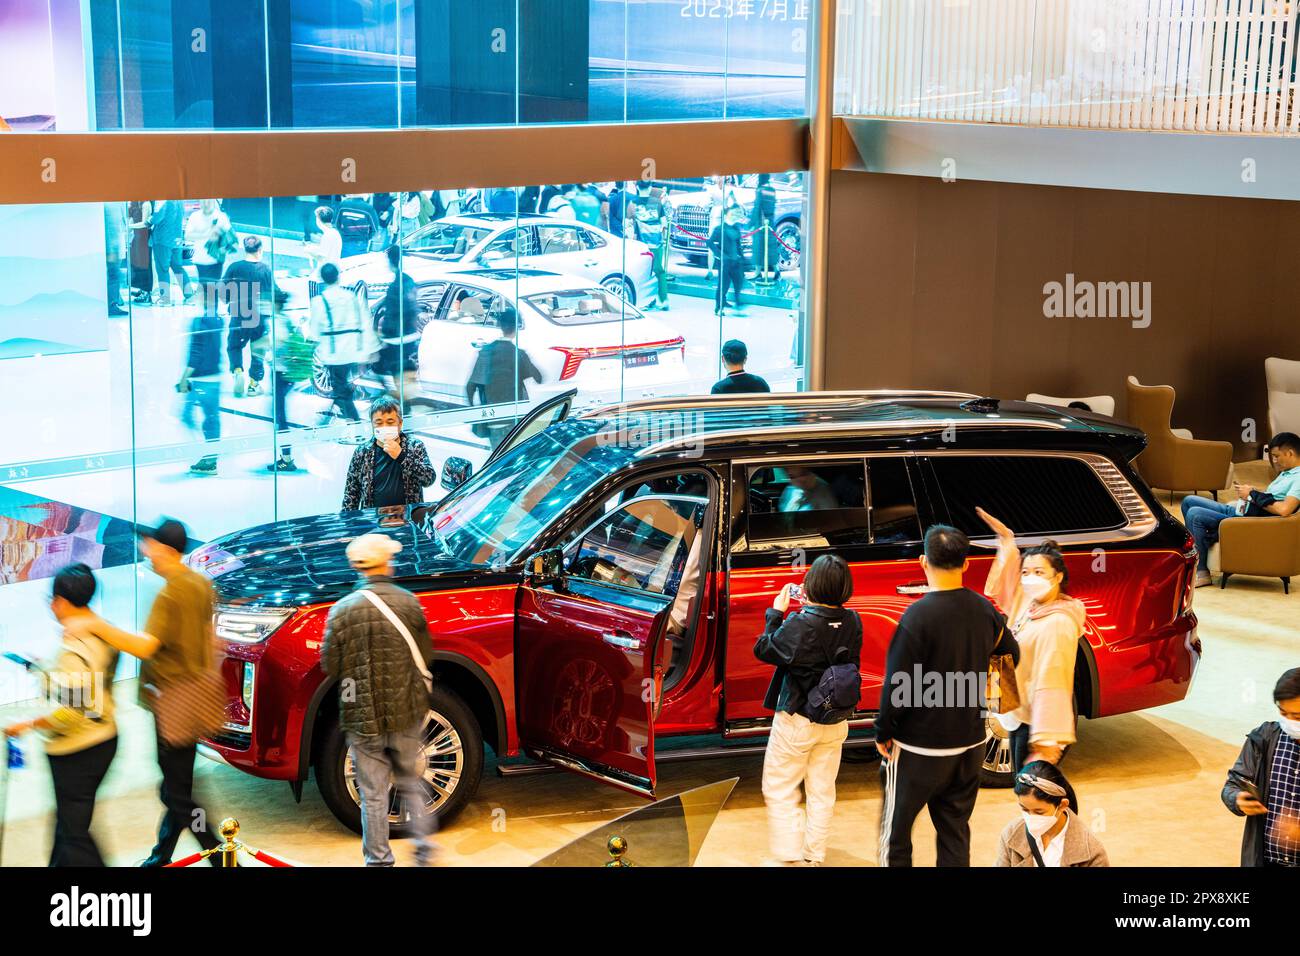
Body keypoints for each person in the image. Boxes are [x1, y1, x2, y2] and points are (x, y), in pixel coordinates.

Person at [875, 524, 1019, 867]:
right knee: (955, 832)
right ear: (966, 564)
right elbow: (1011, 654)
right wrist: (990, 699)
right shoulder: (985, 611)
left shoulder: (916, 617)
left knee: (896, 835)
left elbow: (898, 684)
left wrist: (883, 731)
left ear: (924, 561)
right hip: (969, 744)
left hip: (918, 748)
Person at [321, 533, 436, 866]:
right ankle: (424, 851)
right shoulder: (408, 602)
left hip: (362, 717)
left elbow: (331, 665)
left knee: (373, 794)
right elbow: (425, 655)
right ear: (385, 562)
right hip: (405, 711)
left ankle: (379, 860)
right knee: (411, 781)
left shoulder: (341, 610)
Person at [2, 565, 121, 866]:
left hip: (78, 750)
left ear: (61, 602)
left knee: (74, 835)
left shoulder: (73, 648)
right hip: (104, 736)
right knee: (68, 828)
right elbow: (91, 690)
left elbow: (71, 713)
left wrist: (26, 725)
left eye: (52, 600)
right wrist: (46, 669)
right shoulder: (99, 631)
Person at [754, 555, 863, 866]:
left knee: (779, 787)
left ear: (811, 584)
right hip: (836, 717)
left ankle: (788, 857)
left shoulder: (801, 623)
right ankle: (814, 856)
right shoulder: (854, 620)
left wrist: (776, 612)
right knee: (822, 791)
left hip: (798, 719)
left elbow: (765, 649)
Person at [128, 519, 224, 866]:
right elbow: (213, 639)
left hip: (173, 704)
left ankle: (221, 855)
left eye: (150, 546)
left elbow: (146, 647)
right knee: (177, 784)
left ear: (166, 550)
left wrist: (99, 628)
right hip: (196, 699)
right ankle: (160, 857)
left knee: (177, 792)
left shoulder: (170, 595)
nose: (146, 552)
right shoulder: (199, 584)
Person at [979, 508, 1086, 771]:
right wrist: (1007, 540)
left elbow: (1054, 680)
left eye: (1039, 573)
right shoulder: (1030, 604)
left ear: (1058, 577)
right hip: (1015, 713)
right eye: (1026, 573)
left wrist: (1046, 742)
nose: (1029, 579)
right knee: (1023, 793)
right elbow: (1006, 589)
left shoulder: (1058, 623)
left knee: (1032, 793)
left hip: (1036, 726)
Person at [1181, 432, 1300, 586]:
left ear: (1290, 453)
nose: (1275, 460)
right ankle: (1201, 545)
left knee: (1195, 514)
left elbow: (1284, 509)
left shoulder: (1298, 478)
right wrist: (1252, 492)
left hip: (1250, 521)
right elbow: (1272, 498)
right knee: (1189, 501)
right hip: (1244, 511)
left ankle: (1201, 571)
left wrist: (1253, 494)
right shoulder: (1286, 473)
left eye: (1277, 456)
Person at [1222, 667, 1300, 867]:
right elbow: (1232, 785)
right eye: (1284, 713)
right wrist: (1239, 799)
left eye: (1298, 716)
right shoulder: (1264, 739)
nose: (1290, 722)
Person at [995, 761, 1109, 867]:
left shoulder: (1092, 852)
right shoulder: (1010, 835)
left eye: (1039, 812)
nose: (1031, 818)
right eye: (1025, 809)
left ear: (1062, 805)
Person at [465, 307, 543, 449]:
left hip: (493, 419)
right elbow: (539, 378)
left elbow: (470, 387)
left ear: (501, 326)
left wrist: (475, 412)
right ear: (516, 328)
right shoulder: (517, 354)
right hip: (514, 419)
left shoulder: (486, 352)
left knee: (499, 459)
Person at [341, 396, 437, 510]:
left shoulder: (415, 446)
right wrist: (350, 523)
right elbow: (351, 494)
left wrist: (402, 457)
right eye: (379, 423)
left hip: (407, 519)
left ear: (400, 423)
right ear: (372, 424)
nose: (384, 427)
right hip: (374, 521)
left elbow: (429, 479)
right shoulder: (362, 452)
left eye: (390, 422)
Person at [308, 262, 372, 424]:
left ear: (322, 279)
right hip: (352, 350)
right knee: (341, 385)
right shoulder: (350, 296)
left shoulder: (319, 301)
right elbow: (362, 321)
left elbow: (315, 332)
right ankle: (335, 409)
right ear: (338, 277)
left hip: (333, 354)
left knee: (341, 389)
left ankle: (355, 424)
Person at [176, 277, 225, 475]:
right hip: (214, 376)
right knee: (211, 418)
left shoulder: (201, 320)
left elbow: (196, 353)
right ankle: (210, 455)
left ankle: (209, 456)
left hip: (202, 378)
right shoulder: (218, 318)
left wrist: (184, 377)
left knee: (191, 416)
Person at [220, 235, 273, 398]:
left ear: (245, 249)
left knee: (234, 345)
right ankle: (253, 384)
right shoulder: (265, 269)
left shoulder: (234, 267)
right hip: (259, 317)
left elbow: (222, 292)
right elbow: (271, 293)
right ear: (260, 250)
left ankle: (237, 370)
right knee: (258, 350)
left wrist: (229, 300)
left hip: (239, 314)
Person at [265, 287, 310, 473]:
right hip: (285, 373)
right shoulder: (284, 320)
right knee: (278, 414)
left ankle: (286, 458)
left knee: (280, 416)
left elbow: (278, 343)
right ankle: (285, 456)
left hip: (280, 374)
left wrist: (260, 346)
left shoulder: (276, 322)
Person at [376, 244, 421, 411]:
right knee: (401, 372)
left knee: (382, 368)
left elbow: (393, 314)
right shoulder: (408, 281)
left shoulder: (395, 286)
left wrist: (384, 335)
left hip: (396, 338)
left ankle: (398, 403)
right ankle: (402, 403)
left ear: (390, 261)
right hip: (409, 335)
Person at [184, 199, 234, 304]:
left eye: (209, 201)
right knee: (205, 288)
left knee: (211, 288)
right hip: (200, 260)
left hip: (215, 260)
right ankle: (208, 313)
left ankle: (211, 314)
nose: (206, 204)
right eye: (203, 201)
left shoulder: (221, 216)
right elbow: (188, 235)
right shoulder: (195, 216)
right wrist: (207, 234)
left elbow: (231, 238)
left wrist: (224, 249)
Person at [631, 185, 670, 311]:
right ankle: (663, 300)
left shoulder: (633, 203)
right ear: (650, 187)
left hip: (641, 246)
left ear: (637, 186)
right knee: (660, 271)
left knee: (643, 273)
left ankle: (646, 301)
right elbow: (664, 223)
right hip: (656, 243)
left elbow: (629, 226)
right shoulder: (657, 202)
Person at [147, 199, 193, 306]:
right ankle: (189, 295)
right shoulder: (180, 201)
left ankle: (165, 298)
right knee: (178, 268)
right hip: (176, 239)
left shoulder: (163, 200)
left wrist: (149, 219)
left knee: (163, 269)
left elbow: (157, 218)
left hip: (162, 239)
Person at [708, 205, 748, 316]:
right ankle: (718, 307)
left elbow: (738, 244)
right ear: (725, 215)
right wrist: (720, 255)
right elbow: (710, 242)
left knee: (738, 282)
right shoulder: (719, 229)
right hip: (725, 262)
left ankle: (737, 303)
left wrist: (741, 257)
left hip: (736, 261)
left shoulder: (736, 227)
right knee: (723, 285)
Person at [749, 172, 780, 282]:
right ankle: (777, 270)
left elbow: (757, 208)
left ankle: (757, 272)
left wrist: (751, 223)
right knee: (771, 248)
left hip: (760, 224)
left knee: (758, 248)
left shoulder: (759, 190)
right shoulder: (772, 190)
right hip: (770, 222)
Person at [127, 200, 154, 304]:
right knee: (137, 265)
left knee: (145, 265)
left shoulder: (146, 204)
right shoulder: (134, 204)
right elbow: (130, 219)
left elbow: (145, 223)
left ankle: (147, 293)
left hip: (144, 238)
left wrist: (129, 227)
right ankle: (142, 290)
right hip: (137, 238)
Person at [104, 202, 128, 316]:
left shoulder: (105, 204)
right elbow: (123, 224)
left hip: (110, 246)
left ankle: (115, 300)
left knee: (112, 275)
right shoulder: (115, 204)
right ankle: (112, 305)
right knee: (113, 275)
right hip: (112, 247)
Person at [308, 205, 343, 275]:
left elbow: (321, 258)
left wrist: (309, 251)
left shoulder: (327, 235)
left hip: (325, 274)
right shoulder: (335, 233)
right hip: (333, 271)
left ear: (318, 219)